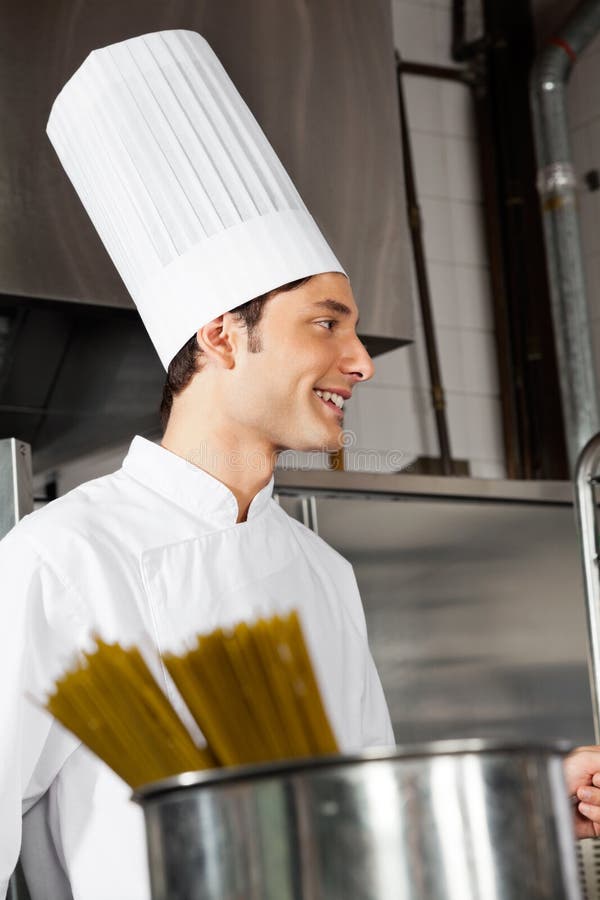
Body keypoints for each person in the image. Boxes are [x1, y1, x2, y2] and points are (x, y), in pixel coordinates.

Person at [2, 27, 600, 900]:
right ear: (219, 334)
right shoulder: (58, 562)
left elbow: (366, 828)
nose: (361, 359)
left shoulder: (321, 572)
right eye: (326, 323)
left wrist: (534, 796)